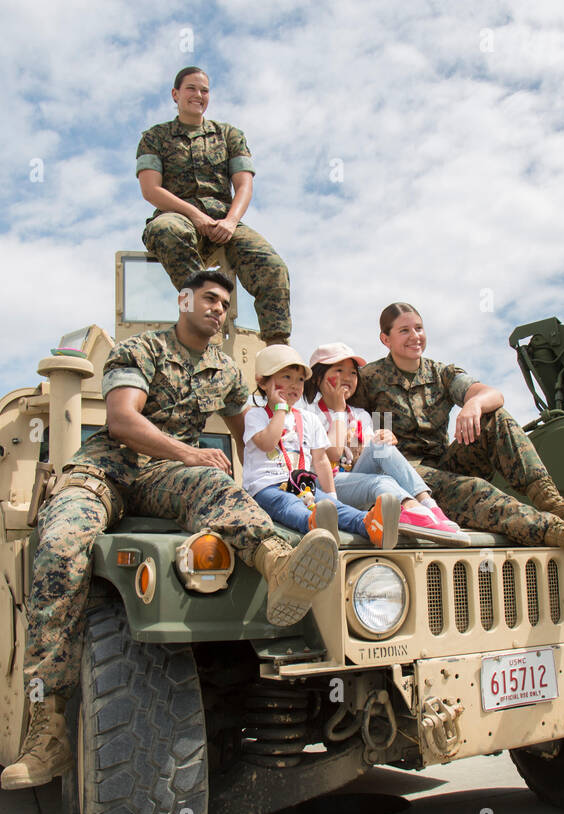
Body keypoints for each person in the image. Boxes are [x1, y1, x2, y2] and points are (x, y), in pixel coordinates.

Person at [1, 270, 338, 790]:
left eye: (225, 303)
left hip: (166, 475)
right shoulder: (141, 351)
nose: (218, 309)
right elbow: (122, 422)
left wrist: (279, 445)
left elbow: (246, 433)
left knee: (215, 485)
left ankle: (279, 564)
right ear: (184, 300)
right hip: (107, 468)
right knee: (61, 548)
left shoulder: (224, 370)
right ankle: (48, 729)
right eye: (209, 298)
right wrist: (190, 451)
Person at [358, 302, 564, 581]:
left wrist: (474, 405)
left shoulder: (440, 373)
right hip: (404, 474)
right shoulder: (370, 378)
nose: (415, 336)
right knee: (475, 488)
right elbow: (347, 420)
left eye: (418, 328)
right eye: (404, 330)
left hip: (443, 462)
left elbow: (492, 394)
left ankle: (554, 504)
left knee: (495, 416)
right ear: (386, 339)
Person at [137, 66, 292, 345]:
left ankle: (277, 348)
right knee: (165, 230)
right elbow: (151, 189)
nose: (198, 95)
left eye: (204, 90)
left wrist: (231, 221)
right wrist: (196, 216)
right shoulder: (155, 138)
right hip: (179, 217)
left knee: (272, 265)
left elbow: (244, 185)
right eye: (191, 89)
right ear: (175, 94)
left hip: (223, 219)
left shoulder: (229, 135)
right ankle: (202, 327)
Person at [305, 343, 465, 543]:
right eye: (339, 370)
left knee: (382, 446)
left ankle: (428, 505)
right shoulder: (309, 413)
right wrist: (338, 411)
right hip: (325, 485)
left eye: (353, 373)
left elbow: (370, 452)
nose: (347, 377)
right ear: (318, 377)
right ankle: (411, 512)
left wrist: (386, 438)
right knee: (382, 482)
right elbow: (334, 454)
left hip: (355, 480)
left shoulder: (361, 415)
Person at [245, 344, 399, 548]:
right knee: (287, 505)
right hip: (266, 487)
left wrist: (332, 496)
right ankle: (314, 524)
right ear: (263, 382)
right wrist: (281, 408)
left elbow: (321, 460)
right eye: (286, 377)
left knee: (336, 507)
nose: (295, 385)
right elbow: (267, 443)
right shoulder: (256, 415)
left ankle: (370, 524)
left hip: (301, 485)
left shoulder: (308, 419)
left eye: (300, 379)